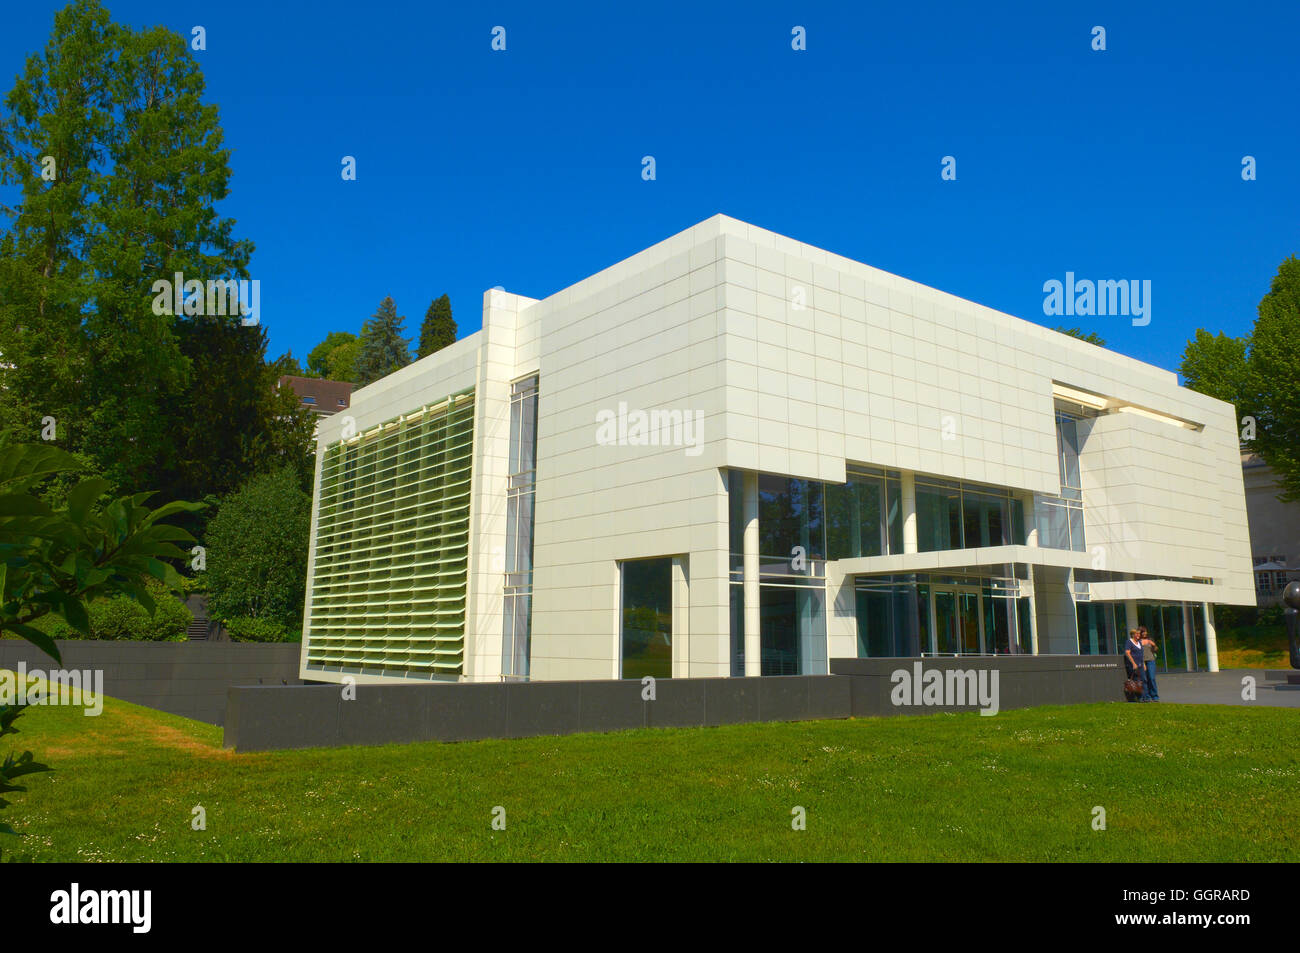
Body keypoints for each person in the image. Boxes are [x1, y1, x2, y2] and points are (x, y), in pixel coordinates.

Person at [1123, 629, 1145, 702]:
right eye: (1137, 634)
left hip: (1140, 664)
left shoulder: (1139, 642)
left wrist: (1144, 663)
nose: (1138, 635)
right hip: (1134, 665)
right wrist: (1133, 663)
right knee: (1135, 681)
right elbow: (1127, 652)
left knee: (1142, 680)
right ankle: (1138, 697)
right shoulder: (1129, 642)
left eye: (1139, 634)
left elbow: (1141, 654)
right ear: (1133, 635)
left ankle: (1143, 696)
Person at [1139, 626, 1159, 702]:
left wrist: (1154, 645)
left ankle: (1154, 695)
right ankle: (1147, 696)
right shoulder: (1138, 641)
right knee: (1145, 679)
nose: (1144, 633)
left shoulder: (1150, 640)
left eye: (1145, 631)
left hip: (1151, 660)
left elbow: (1156, 649)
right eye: (1142, 632)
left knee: (1151, 678)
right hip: (1142, 661)